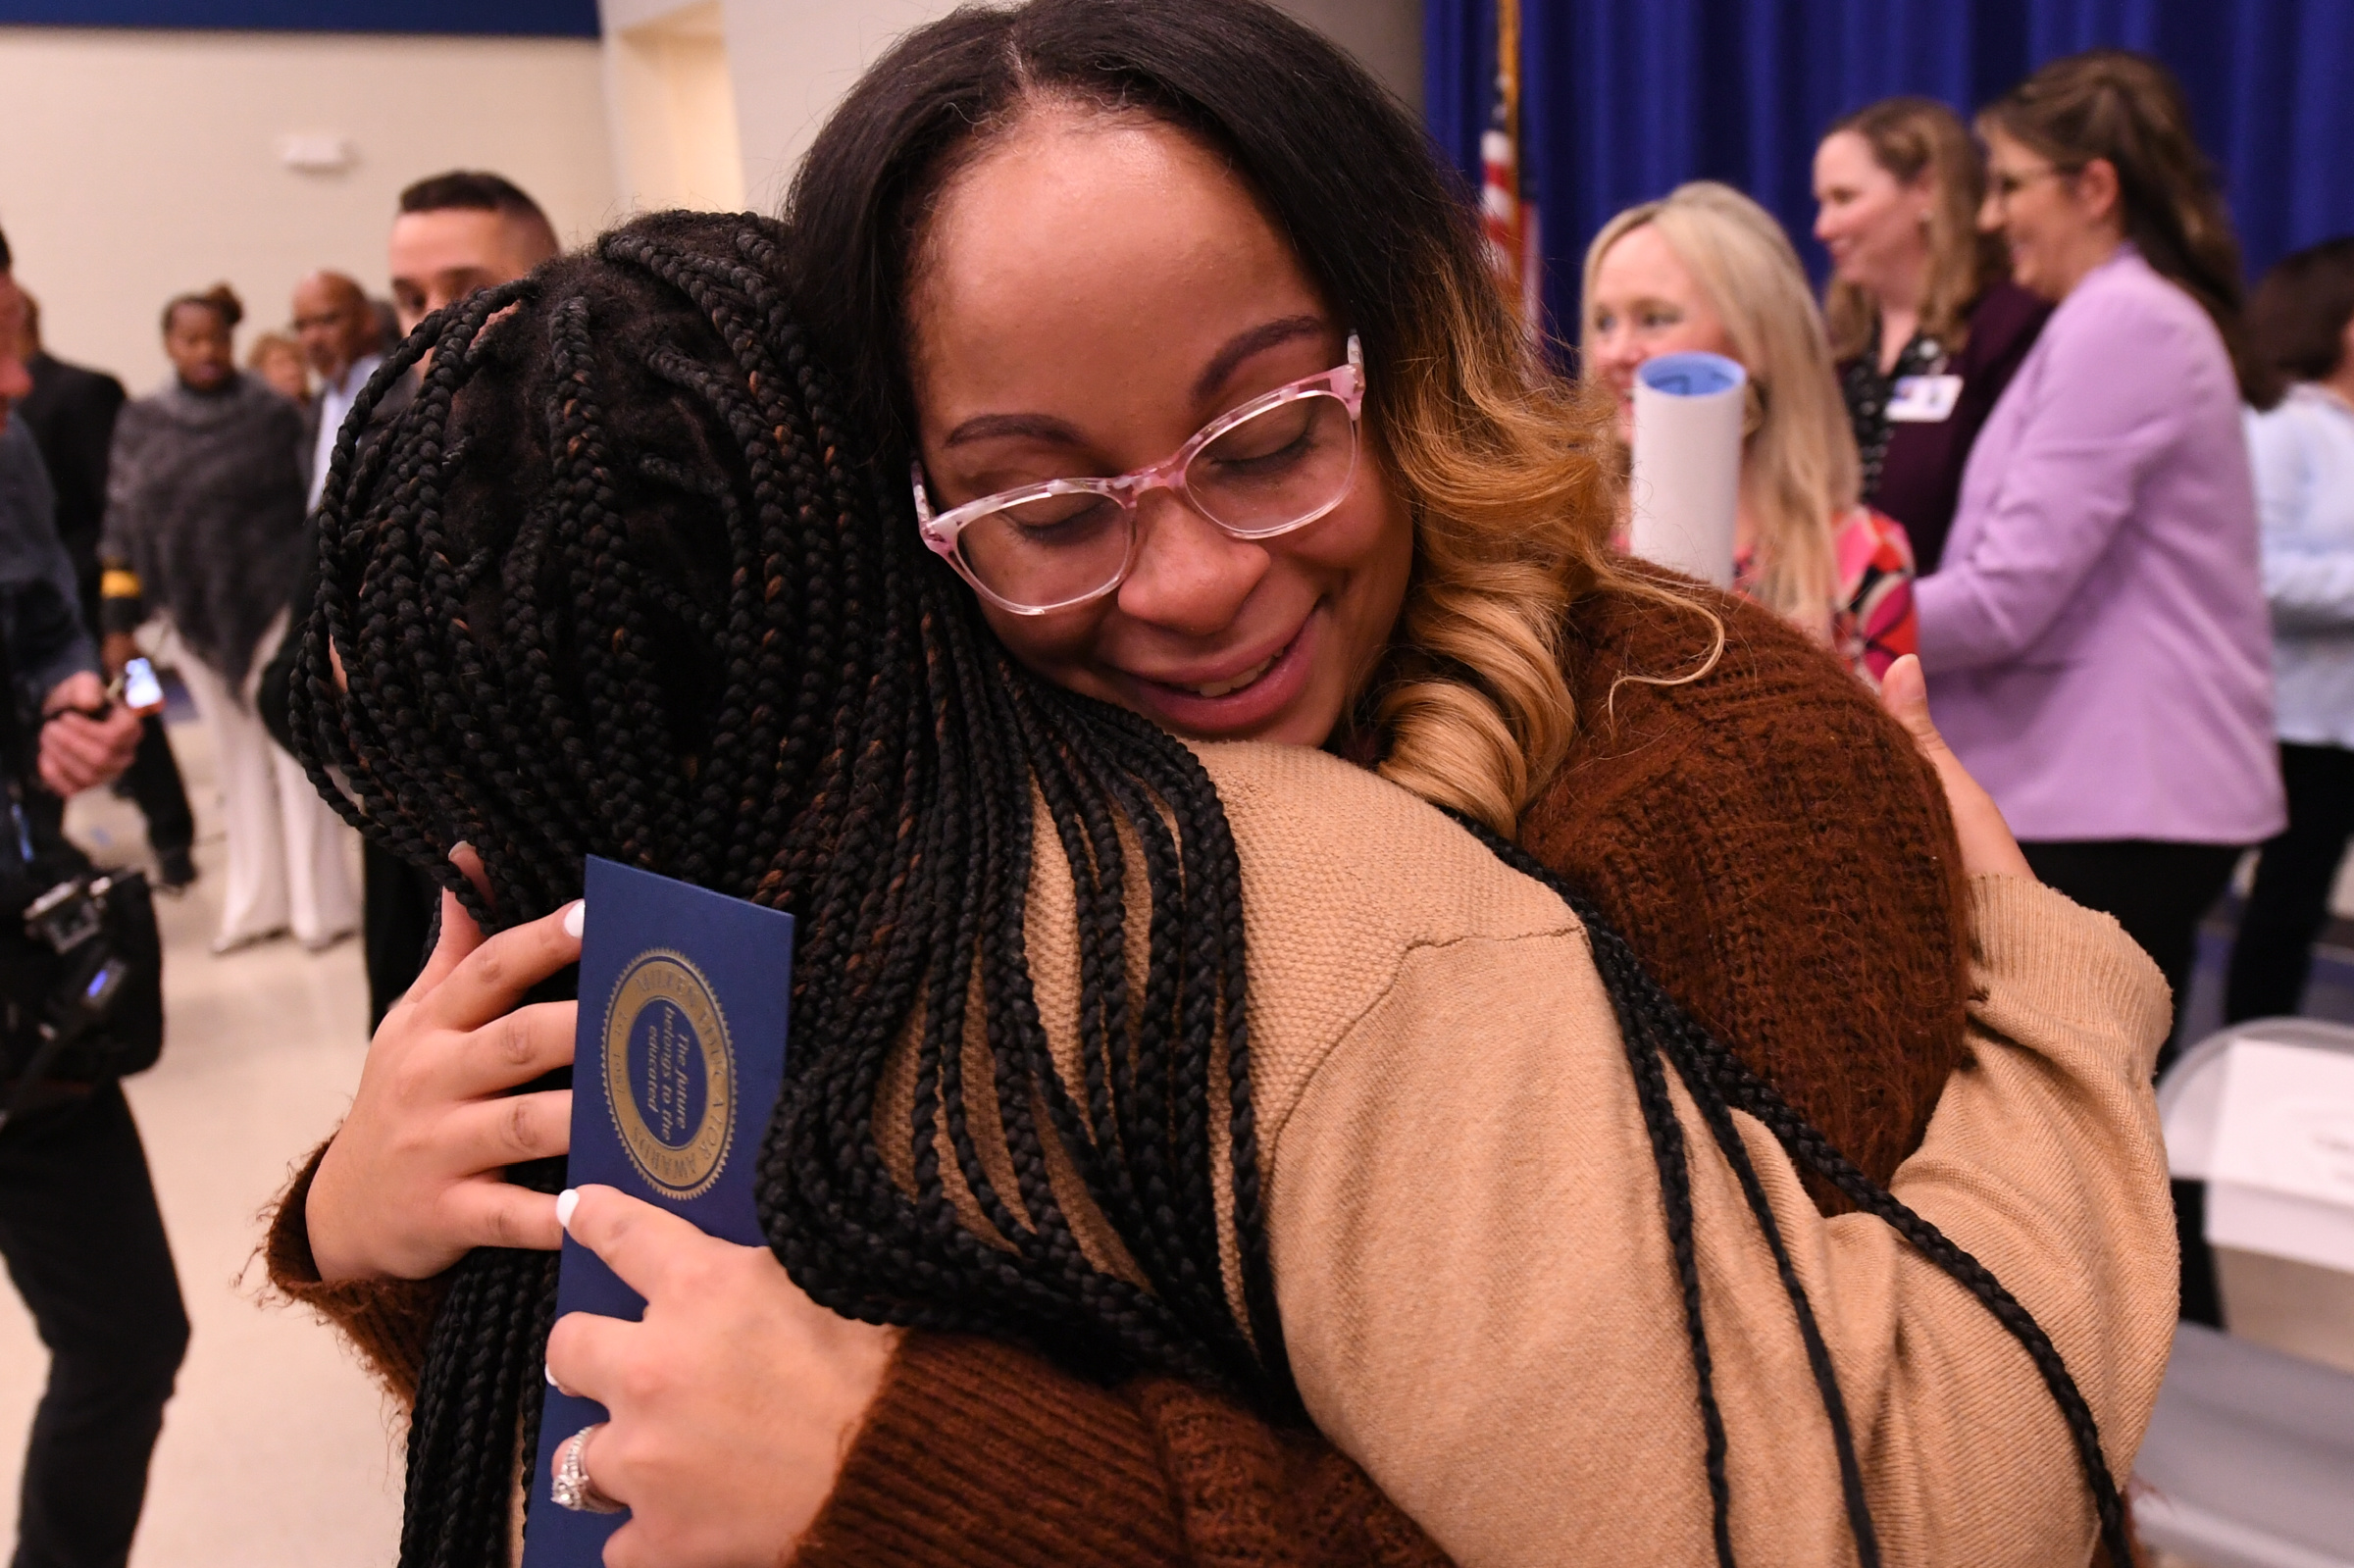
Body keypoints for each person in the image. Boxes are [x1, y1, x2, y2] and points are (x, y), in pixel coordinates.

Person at [1919, 49, 2283, 1067]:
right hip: (2113, 792)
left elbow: (2004, 601)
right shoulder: (2113, 317)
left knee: (2087, 1112)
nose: (1989, 217)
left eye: (2007, 186)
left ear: (2094, 188)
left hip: (2124, 798)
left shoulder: (2124, 322)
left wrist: (1832, 611)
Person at [0, 235, 185, 1568]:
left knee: (126, 1334)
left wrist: (58, 712)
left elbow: (43, 638)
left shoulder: (9, 441)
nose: (14, 376)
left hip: (22, 981)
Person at [99, 284, 356, 953]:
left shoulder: (272, 413)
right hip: (187, 612)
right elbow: (122, 519)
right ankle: (254, 903)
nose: (206, 351)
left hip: (272, 599)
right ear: (168, 345)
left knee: (298, 751)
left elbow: (309, 509)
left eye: (216, 338)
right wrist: (118, 619)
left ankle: (320, 907)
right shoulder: (142, 420)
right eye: (190, 340)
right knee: (235, 764)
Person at [1584, 181, 1919, 686]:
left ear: (1755, 338)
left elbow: (1888, 760)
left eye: (1655, 319)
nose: (1614, 353)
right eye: (1604, 322)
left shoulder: (1860, 557)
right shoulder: (1569, 543)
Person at [1813, 96, 2050, 573]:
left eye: (1844, 199)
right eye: (1821, 203)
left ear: (1925, 190)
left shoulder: (2007, 327)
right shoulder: (1841, 344)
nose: (1823, 227)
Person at [12, 287, 195, 890]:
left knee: (140, 716)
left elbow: (119, 514)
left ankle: (172, 839)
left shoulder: (84, 391)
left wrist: (121, 619)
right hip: (52, 605)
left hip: (98, 604)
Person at [2225, 236, 2354, 1023]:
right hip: (2276, 717)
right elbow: (2260, 572)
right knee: (2267, 920)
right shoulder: (2283, 426)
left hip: (2338, 727)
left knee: (2298, 915)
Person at [290, 272, 382, 510]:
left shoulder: (400, 396)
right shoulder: (318, 405)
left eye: (328, 320)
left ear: (366, 320)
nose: (313, 339)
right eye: (302, 326)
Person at [244, 331, 309, 403]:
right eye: (280, 363)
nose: (293, 370)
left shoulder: (319, 406)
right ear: (259, 373)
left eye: (297, 361)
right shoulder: (252, 412)